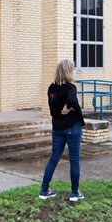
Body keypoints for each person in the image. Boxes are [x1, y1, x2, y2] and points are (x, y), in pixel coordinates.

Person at [38, 58, 86, 202]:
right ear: (68, 71)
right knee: (74, 160)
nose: (75, 71)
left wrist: (64, 107)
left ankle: (44, 189)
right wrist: (68, 106)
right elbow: (71, 100)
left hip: (57, 127)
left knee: (54, 158)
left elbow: (53, 106)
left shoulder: (51, 88)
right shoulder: (71, 87)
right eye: (73, 69)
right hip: (72, 127)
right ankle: (74, 193)